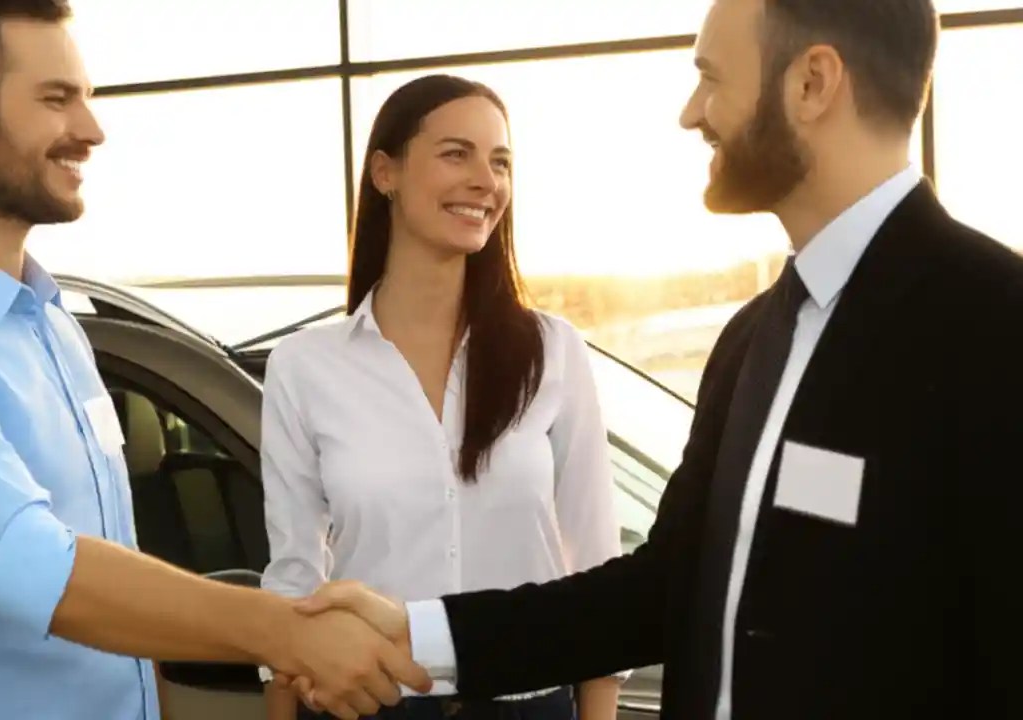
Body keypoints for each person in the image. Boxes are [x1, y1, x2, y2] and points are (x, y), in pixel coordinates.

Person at [281, 1, 1022, 719]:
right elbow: (662, 589)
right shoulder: (752, 341)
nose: (693, 113)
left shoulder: (997, 325)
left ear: (812, 83)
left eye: (713, 78)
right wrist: (419, 632)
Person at [0, 2, 430, 719]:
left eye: (87, 98)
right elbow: (41, 572)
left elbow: (109, 579)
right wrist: (287, 632)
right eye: (56, 99)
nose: (92, 129)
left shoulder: (53, 325)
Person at [258, 74, 625, 720]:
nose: (486, 181)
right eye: (457, 154)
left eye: (500, 162)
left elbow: (596, 568)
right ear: (386, 173)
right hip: (368, 704)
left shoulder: (552, 351)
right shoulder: (305, 367)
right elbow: (293, 581)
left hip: (527, 704)